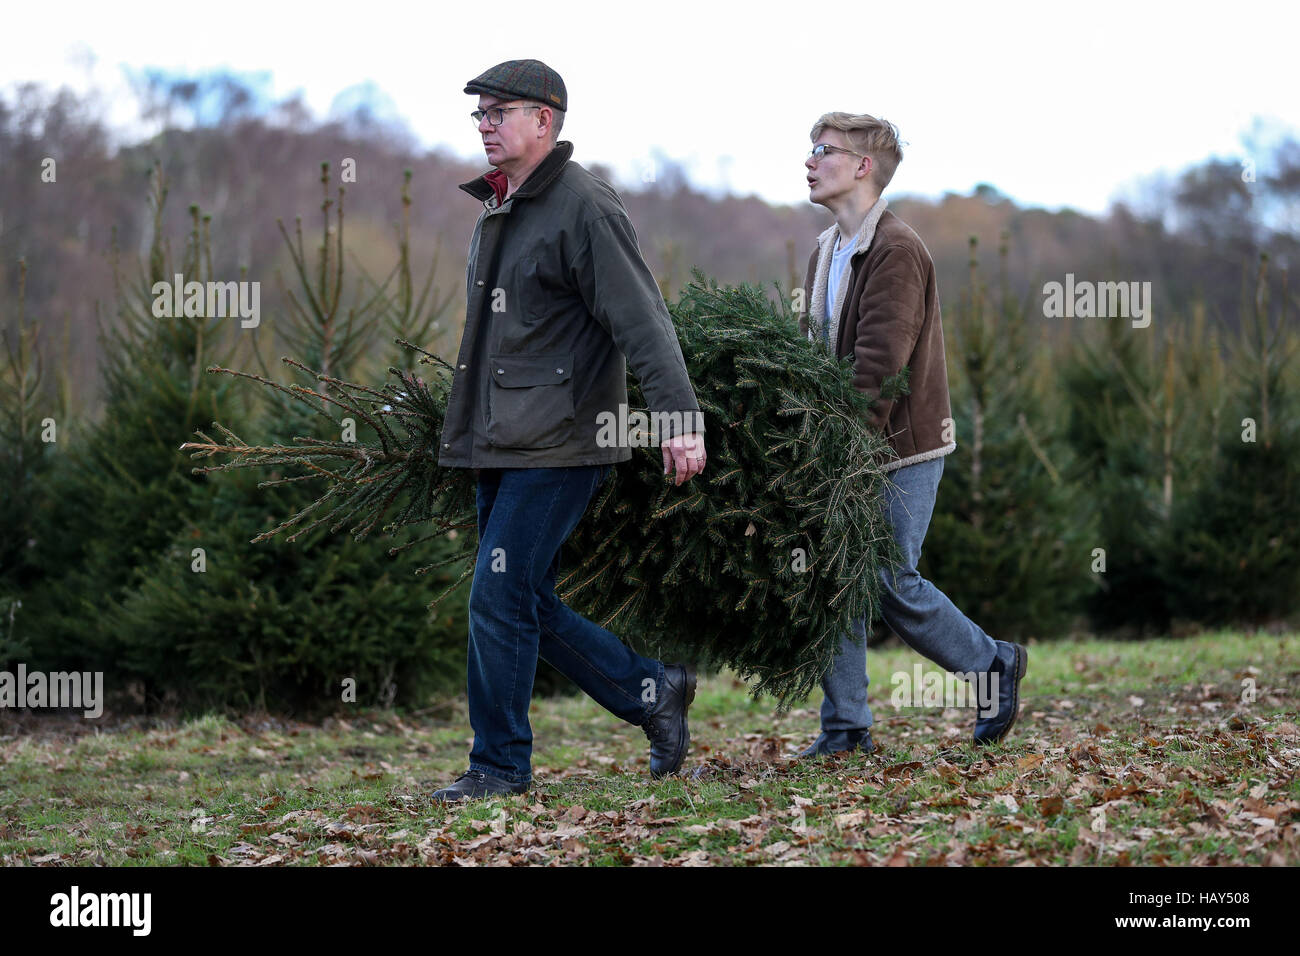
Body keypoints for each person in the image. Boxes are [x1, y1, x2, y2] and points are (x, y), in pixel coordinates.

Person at [430, 59, 707, 802]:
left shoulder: (584, 206)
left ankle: (498, 766)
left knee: (496, 598)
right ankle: (653, 692)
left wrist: (679, 421)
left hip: (562, 440)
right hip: (504, 440)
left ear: (544, 121)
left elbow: (642, 320)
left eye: (498, 112)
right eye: (479, 115)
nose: (485, 126)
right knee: (521, 600)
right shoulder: (501, 206)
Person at [795, 111, 1027, 756]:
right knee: (834, 576)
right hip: (841, 446)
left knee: (889, 580)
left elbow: (879, 367)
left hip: (899, 447)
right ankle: (844, 730)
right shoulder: (826, 249)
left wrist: (843, 453)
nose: (809, 161)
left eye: (824, 150)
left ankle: (991, 667)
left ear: (863, 166)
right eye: (810, 150)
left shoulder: (897, 249)